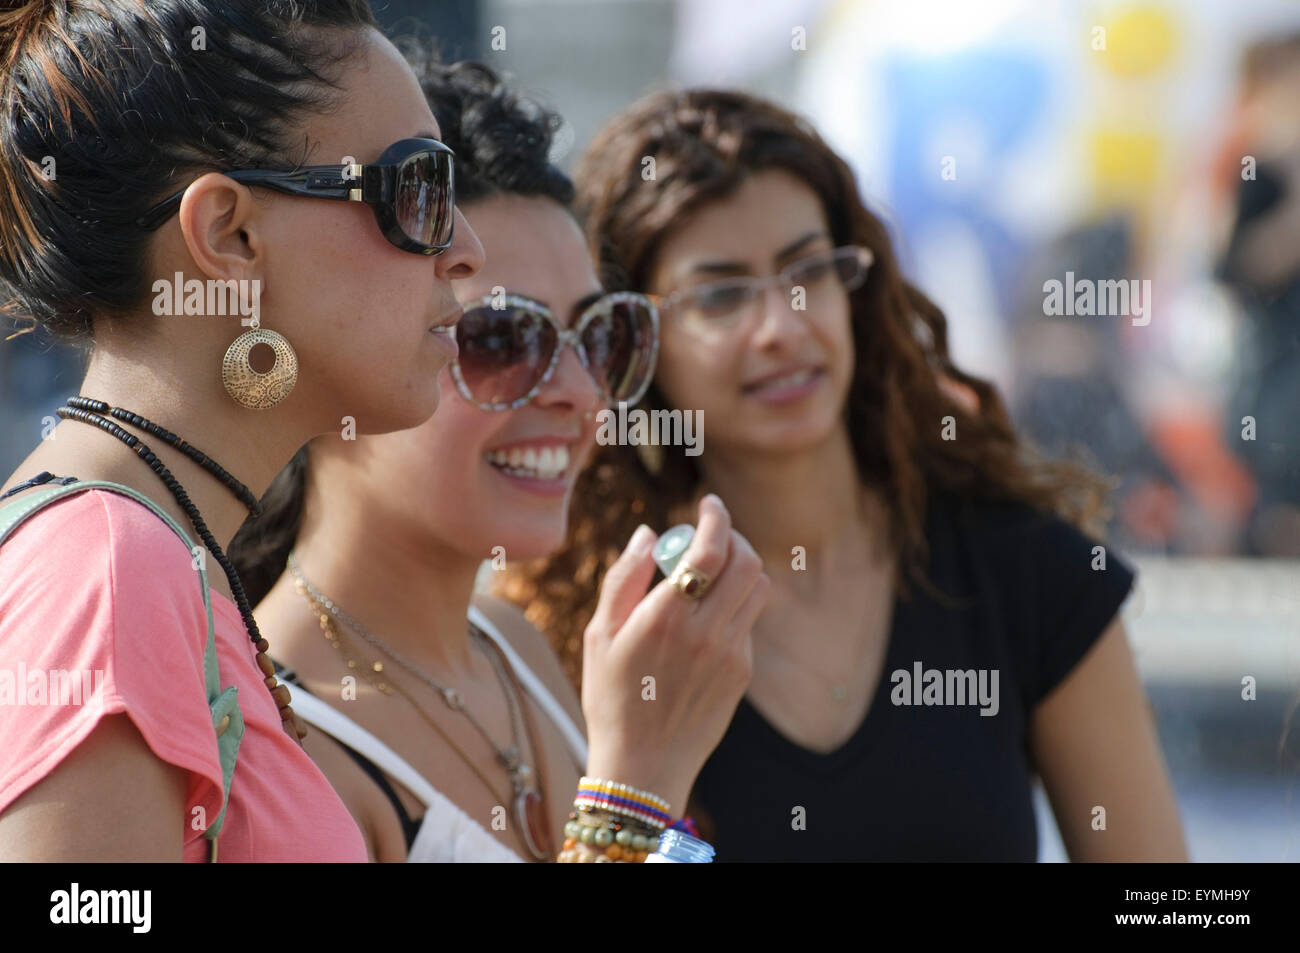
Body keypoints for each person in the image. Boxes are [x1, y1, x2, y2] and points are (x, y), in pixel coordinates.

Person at [500, 88, 1190, 861]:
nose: (783, 328)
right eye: (722, 294)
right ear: (634, 339)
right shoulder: (586, 618)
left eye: (807, 274)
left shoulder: (1025, 569)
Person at [232, 60, 767, 862]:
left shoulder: (517, 650)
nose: (582, 393)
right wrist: (638, 789)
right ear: (340, 358)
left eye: (602, 335)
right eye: (501, 338)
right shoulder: (277, 740)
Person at [0, 0, 486, 861]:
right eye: (419, 187)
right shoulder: (111, 572)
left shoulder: (154, 555)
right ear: (229, 233)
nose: (465, 248)